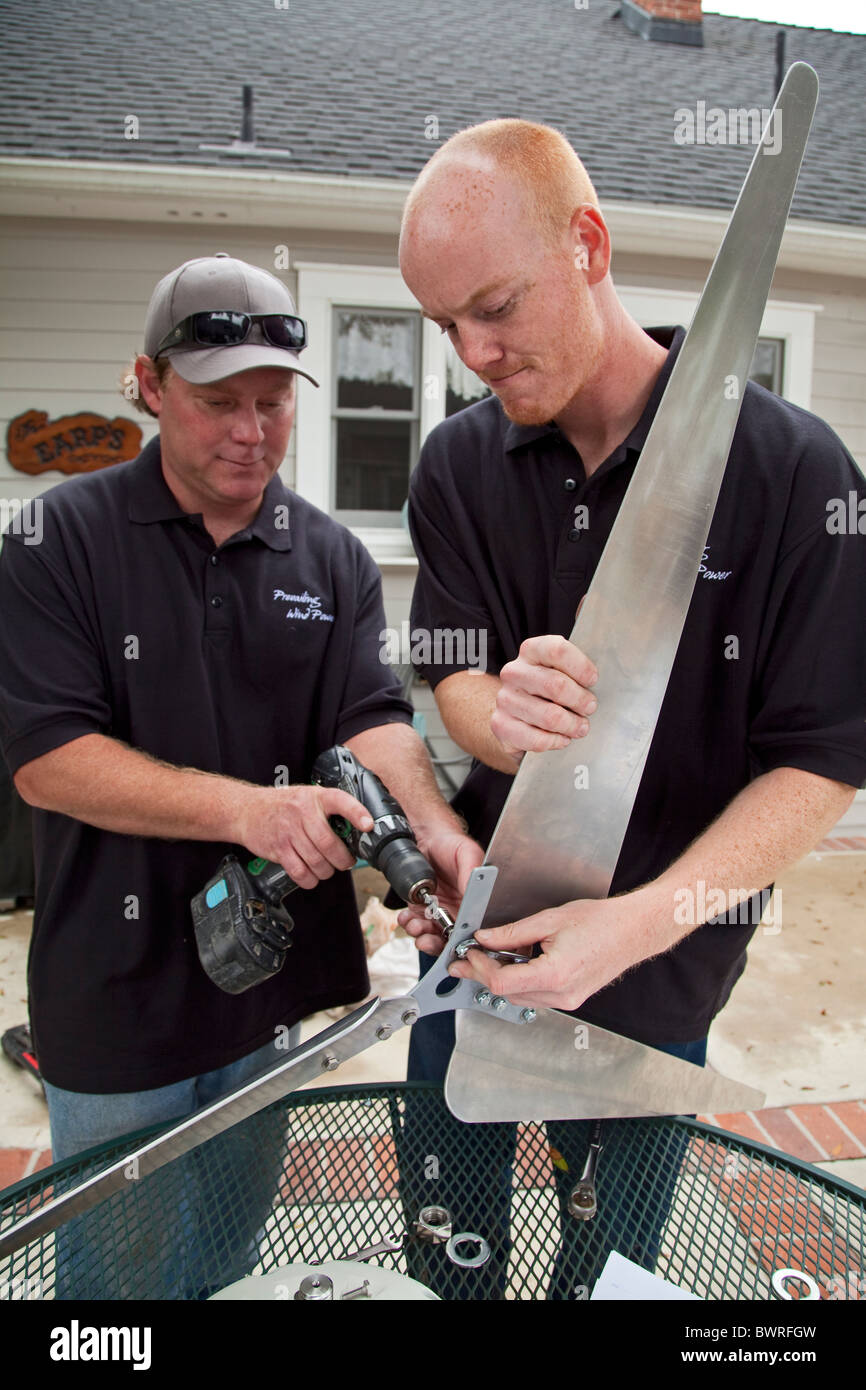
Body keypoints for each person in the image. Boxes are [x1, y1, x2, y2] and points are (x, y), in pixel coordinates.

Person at [395, 120, 866, 1295]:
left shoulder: (795, 473)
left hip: (657, 974)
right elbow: (453, 675)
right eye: (443, 325)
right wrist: (497, 714)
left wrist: (641, 922)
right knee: (445, 1262)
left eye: (493, 307)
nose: (473, 353)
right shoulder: (454, 466)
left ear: (587, 246)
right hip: (476, 944)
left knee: (603, 1276)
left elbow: (822, 758)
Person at [0, 253, 481, 1297]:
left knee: (227, 1262)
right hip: (113, 993)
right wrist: (251, 812)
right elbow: (47, 760)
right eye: (218, 402)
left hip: (268, 986)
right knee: (119, 1286)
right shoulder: (55, 540)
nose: (250, 432)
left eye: (272, 403)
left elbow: (369, 720)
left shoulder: (333, 559)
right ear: (149, 383)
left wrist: (431, 834)